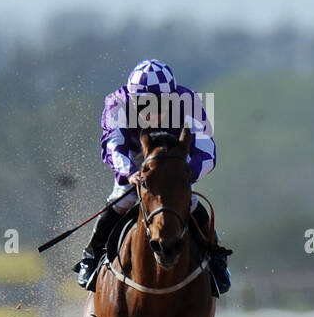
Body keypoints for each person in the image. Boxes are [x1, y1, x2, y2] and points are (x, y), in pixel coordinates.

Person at [74, 59, 231, 293]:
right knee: (123, 200)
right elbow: (112, 145)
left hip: (175, 162)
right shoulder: (116, 103)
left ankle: (216, 259)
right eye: (143, 104)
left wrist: (186, 173)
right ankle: (92, 255)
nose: (151, 111)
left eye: (159, 104)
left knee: (191, 204)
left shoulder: (189, 103)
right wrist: (129, 173)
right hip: (136, 161)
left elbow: (207, 149)